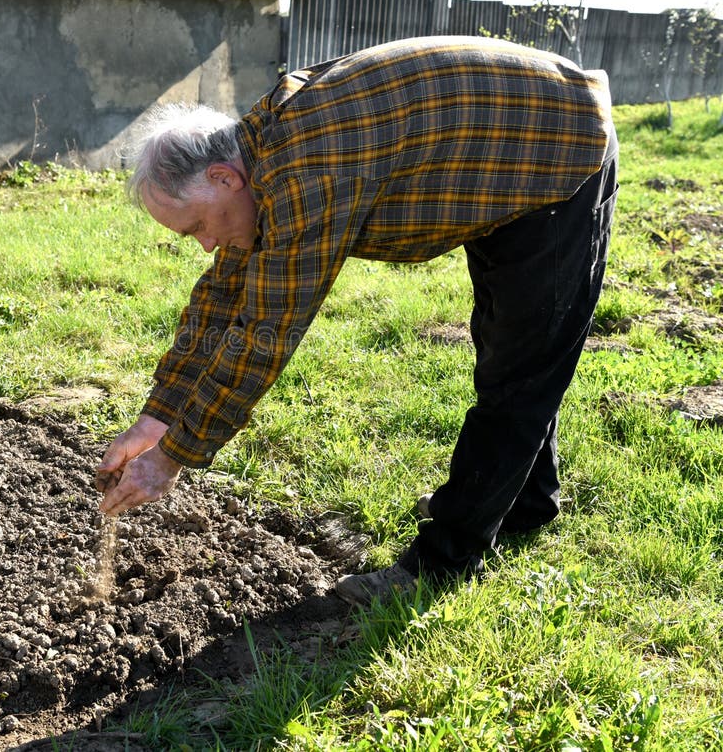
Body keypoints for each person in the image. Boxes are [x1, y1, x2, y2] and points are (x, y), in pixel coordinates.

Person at [95, 35, 618, 606]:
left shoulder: (305, 172)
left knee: (522, 366)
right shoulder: (259, 156)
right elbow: (223, 297)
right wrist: (159, 416)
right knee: (508, 345)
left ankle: (443, 562)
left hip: (557, 145)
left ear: (223, 178)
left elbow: (262, 335)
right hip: (493, 153)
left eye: (197, 226)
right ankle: (528, 503)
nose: (204, 245)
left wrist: (175, 457)